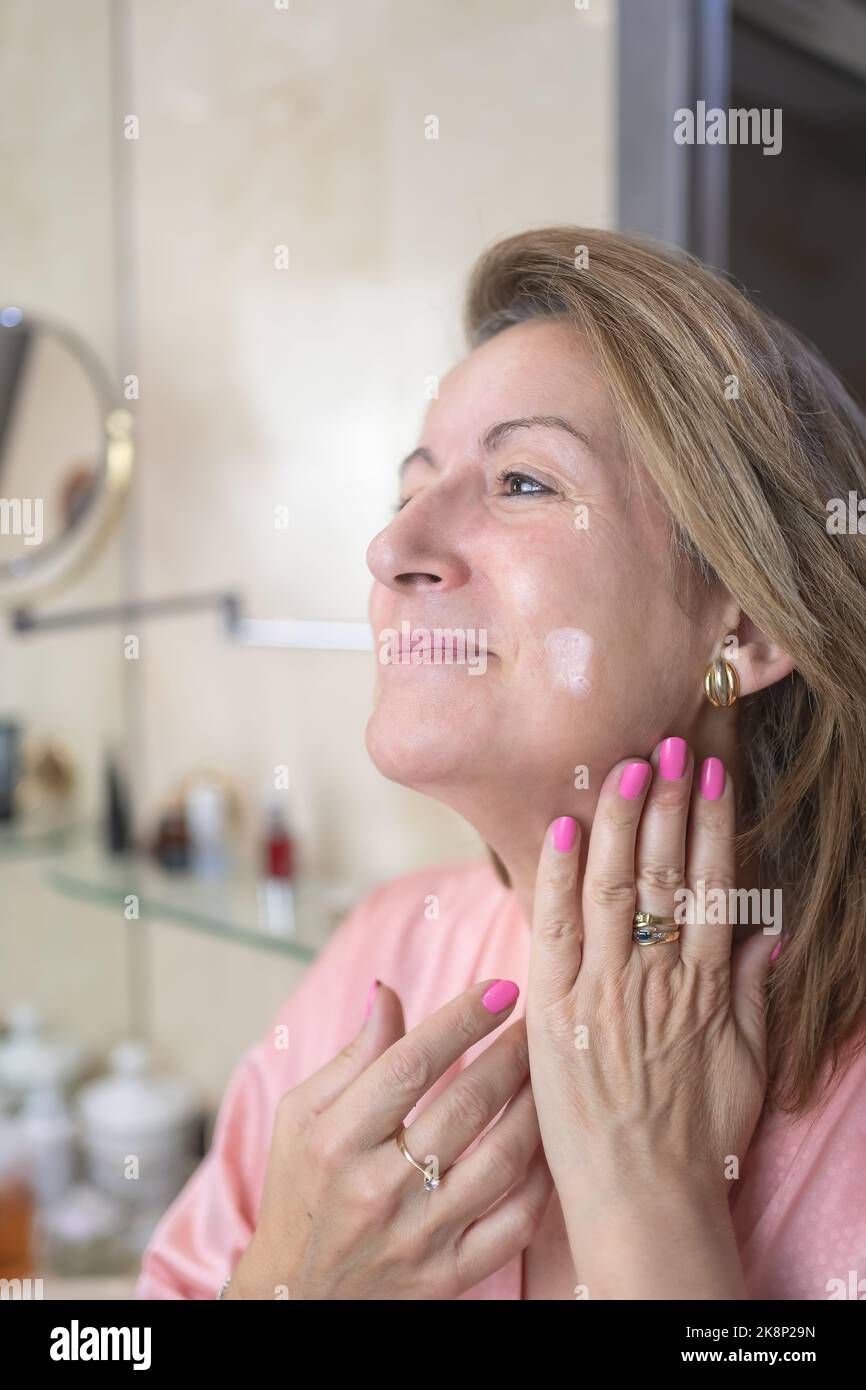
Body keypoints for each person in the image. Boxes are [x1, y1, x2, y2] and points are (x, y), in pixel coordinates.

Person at [137, 226, 866, 1300]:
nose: (390, 551)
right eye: (407, 490)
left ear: (746, 621)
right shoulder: (384, 955)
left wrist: (649, 1215)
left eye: (521, 481)